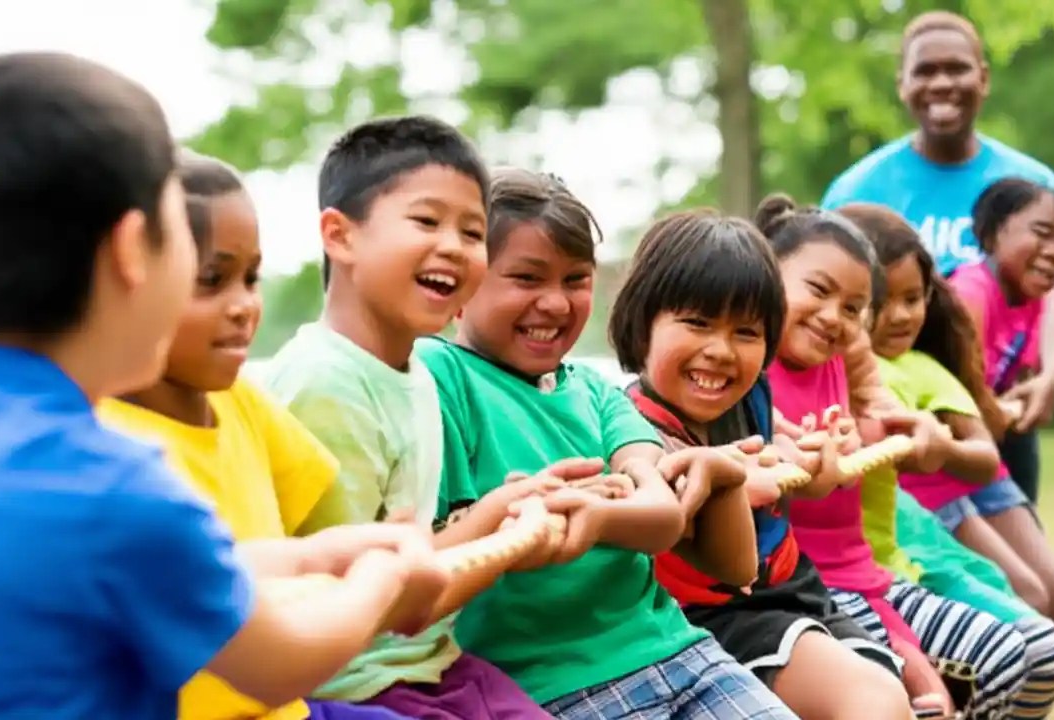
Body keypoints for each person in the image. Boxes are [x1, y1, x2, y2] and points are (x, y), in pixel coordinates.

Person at [0, 52, 447, 718]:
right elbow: (282, 662)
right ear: (130, 249)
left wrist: (316, 555)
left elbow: (166, 569)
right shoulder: (114, 486)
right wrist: (389, 574)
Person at [420, 168, 799, 719]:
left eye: (575, 280)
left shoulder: (594, 392)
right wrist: (520, 514)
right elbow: (424, 565)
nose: (555, 302)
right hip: (546, 687)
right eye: (527, 278)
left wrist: (712, 478)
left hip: (680, 654)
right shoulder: (436, 377)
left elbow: (666, 517)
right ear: (466, 281)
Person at [98, 151, 423, 720]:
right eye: (210, 281)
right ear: (133, 280)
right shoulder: (109, 452)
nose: (244, 306)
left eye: (250, 278)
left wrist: (366, 549)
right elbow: (278, 661)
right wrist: (382, 580)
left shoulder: (242, 398)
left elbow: (308, 540)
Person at [260, 116, 561, 719]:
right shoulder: (327, 381)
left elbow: (408, 555)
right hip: (351, 685)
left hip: (429, 663)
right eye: (426, 221)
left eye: (473, 232)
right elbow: (353, 596)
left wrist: (501, 511)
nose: (453, 246)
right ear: (340, 236)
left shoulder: (414, 371)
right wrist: (507, 541)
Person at [610, 209, 914, 720]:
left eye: (746, 332)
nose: (721, 351)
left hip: (795, 588)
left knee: (892, 693)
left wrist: (816, 453)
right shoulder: (631, 428)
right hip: (714, 613)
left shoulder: (752, 397)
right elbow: (666, 491)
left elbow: (795, 468)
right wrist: (736, 481)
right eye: (697, 323)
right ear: (643, 323)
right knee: (873, 703)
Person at [757, 195, 1038, 719]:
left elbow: (878, 398)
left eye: (852, 307)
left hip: (864, 572)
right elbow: (756, 430)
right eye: (818, 291)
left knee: (979, 674)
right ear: (766, 276)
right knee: (916, 699)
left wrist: (894, 425)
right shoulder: (751, 367)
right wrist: (797, 447)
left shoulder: (843, 355)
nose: (832, 317)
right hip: (804, 582)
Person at [820, 10, 1054, 508]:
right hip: (892, 412)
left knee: (1014, 565)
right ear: (902, 84)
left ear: (983, 78)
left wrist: (1049, 374)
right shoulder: (856, 190)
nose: (942, 83)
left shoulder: (1032, 184)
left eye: (957, 68)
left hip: (999, 409)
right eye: (925, 71)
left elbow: (1050, 286)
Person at [842, 201, 1054, 718]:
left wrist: (937, 446)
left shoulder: (920, 368)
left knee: (1040, 609)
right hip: (872, 555)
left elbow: (982, 452)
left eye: (915, 297)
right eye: (884, 300)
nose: (903, 314)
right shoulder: (826, 371)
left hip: (922, 527)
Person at [944, 179, 1054, 631]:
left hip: (985, 462)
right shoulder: (971, 291)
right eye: (1040, 233)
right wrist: (999, 410)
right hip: (941, 470)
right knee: (1028, 598)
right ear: (992, 234)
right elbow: (959, 393)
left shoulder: (1030, 297)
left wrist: (1035, 386)